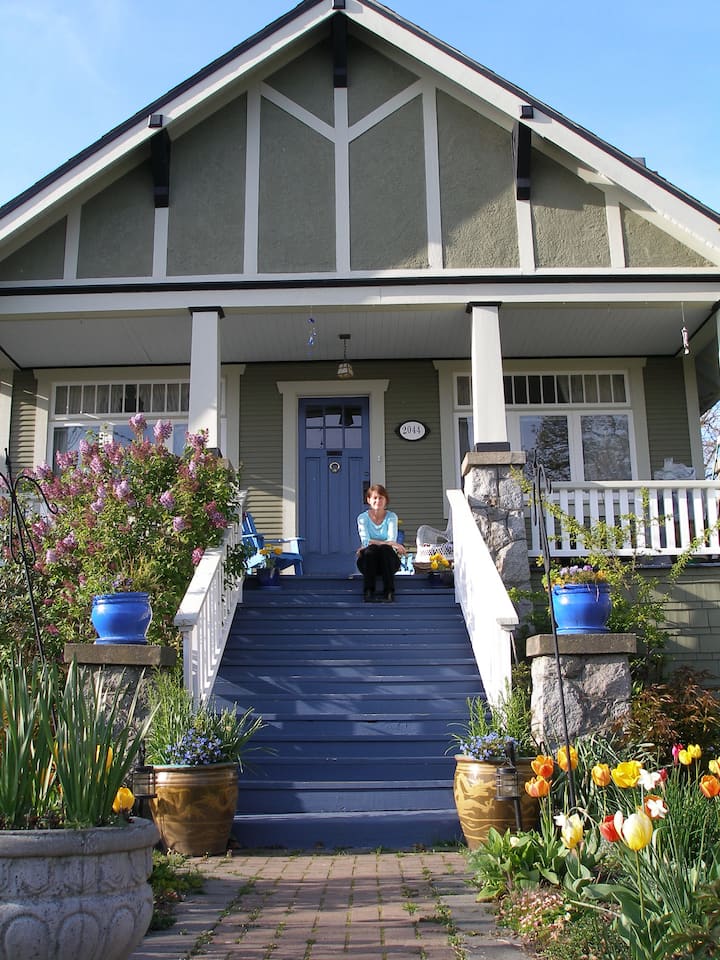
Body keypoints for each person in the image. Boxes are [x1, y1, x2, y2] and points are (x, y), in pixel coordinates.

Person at [356, 483, 406, 602]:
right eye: (375, 498)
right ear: (368, 500)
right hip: (368, 563)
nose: (378, 500)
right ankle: (368, 591)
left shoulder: (391, 517)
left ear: (386, 500)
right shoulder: (362, 518)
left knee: (385, 550)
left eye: (381, 498)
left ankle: (389, 592)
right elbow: (366, 541)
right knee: (371, 550)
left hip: (388, 563)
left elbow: (391, 539)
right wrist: (392, 544)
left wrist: (389, 544)